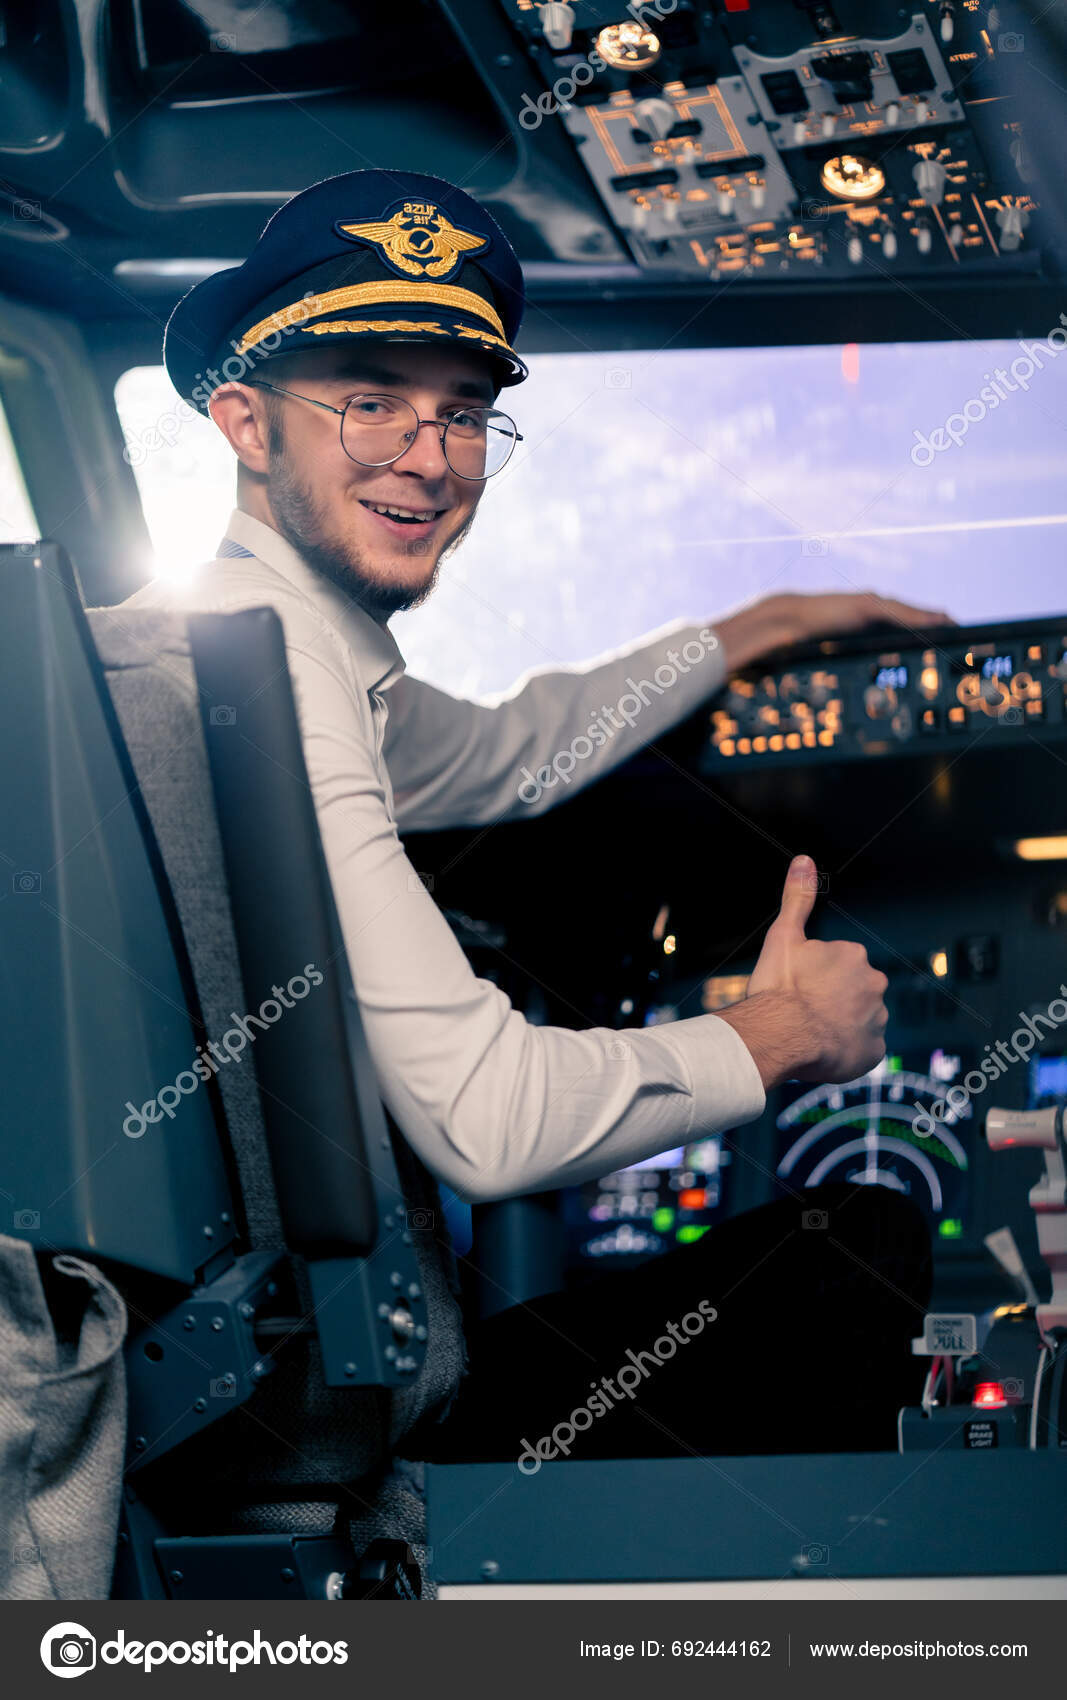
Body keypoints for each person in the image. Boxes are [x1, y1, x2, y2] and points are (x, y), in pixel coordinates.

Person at [122, 168, 946, 1462]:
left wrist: (756, 627)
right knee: (862, 1247)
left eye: (462, 416)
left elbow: (513, 753)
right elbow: (493, 1121)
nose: (428, 458)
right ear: (242, 420)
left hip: (195, 1391)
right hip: (304, 1421)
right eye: (368, 401)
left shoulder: (208, 650)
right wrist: (786, 1032)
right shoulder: (273, 677)